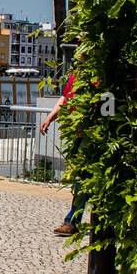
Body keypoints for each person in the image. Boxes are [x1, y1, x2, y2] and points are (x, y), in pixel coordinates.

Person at [40, 70, 85, 236]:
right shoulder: (76, 74)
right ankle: (72, 221)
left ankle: (72, 222)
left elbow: (106, 103)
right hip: (80, 133)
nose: (78, 52)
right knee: (80, 179)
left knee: (83, 179)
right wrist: (50, 117)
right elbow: (66, 98)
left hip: (92, 134)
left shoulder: (98, 73)